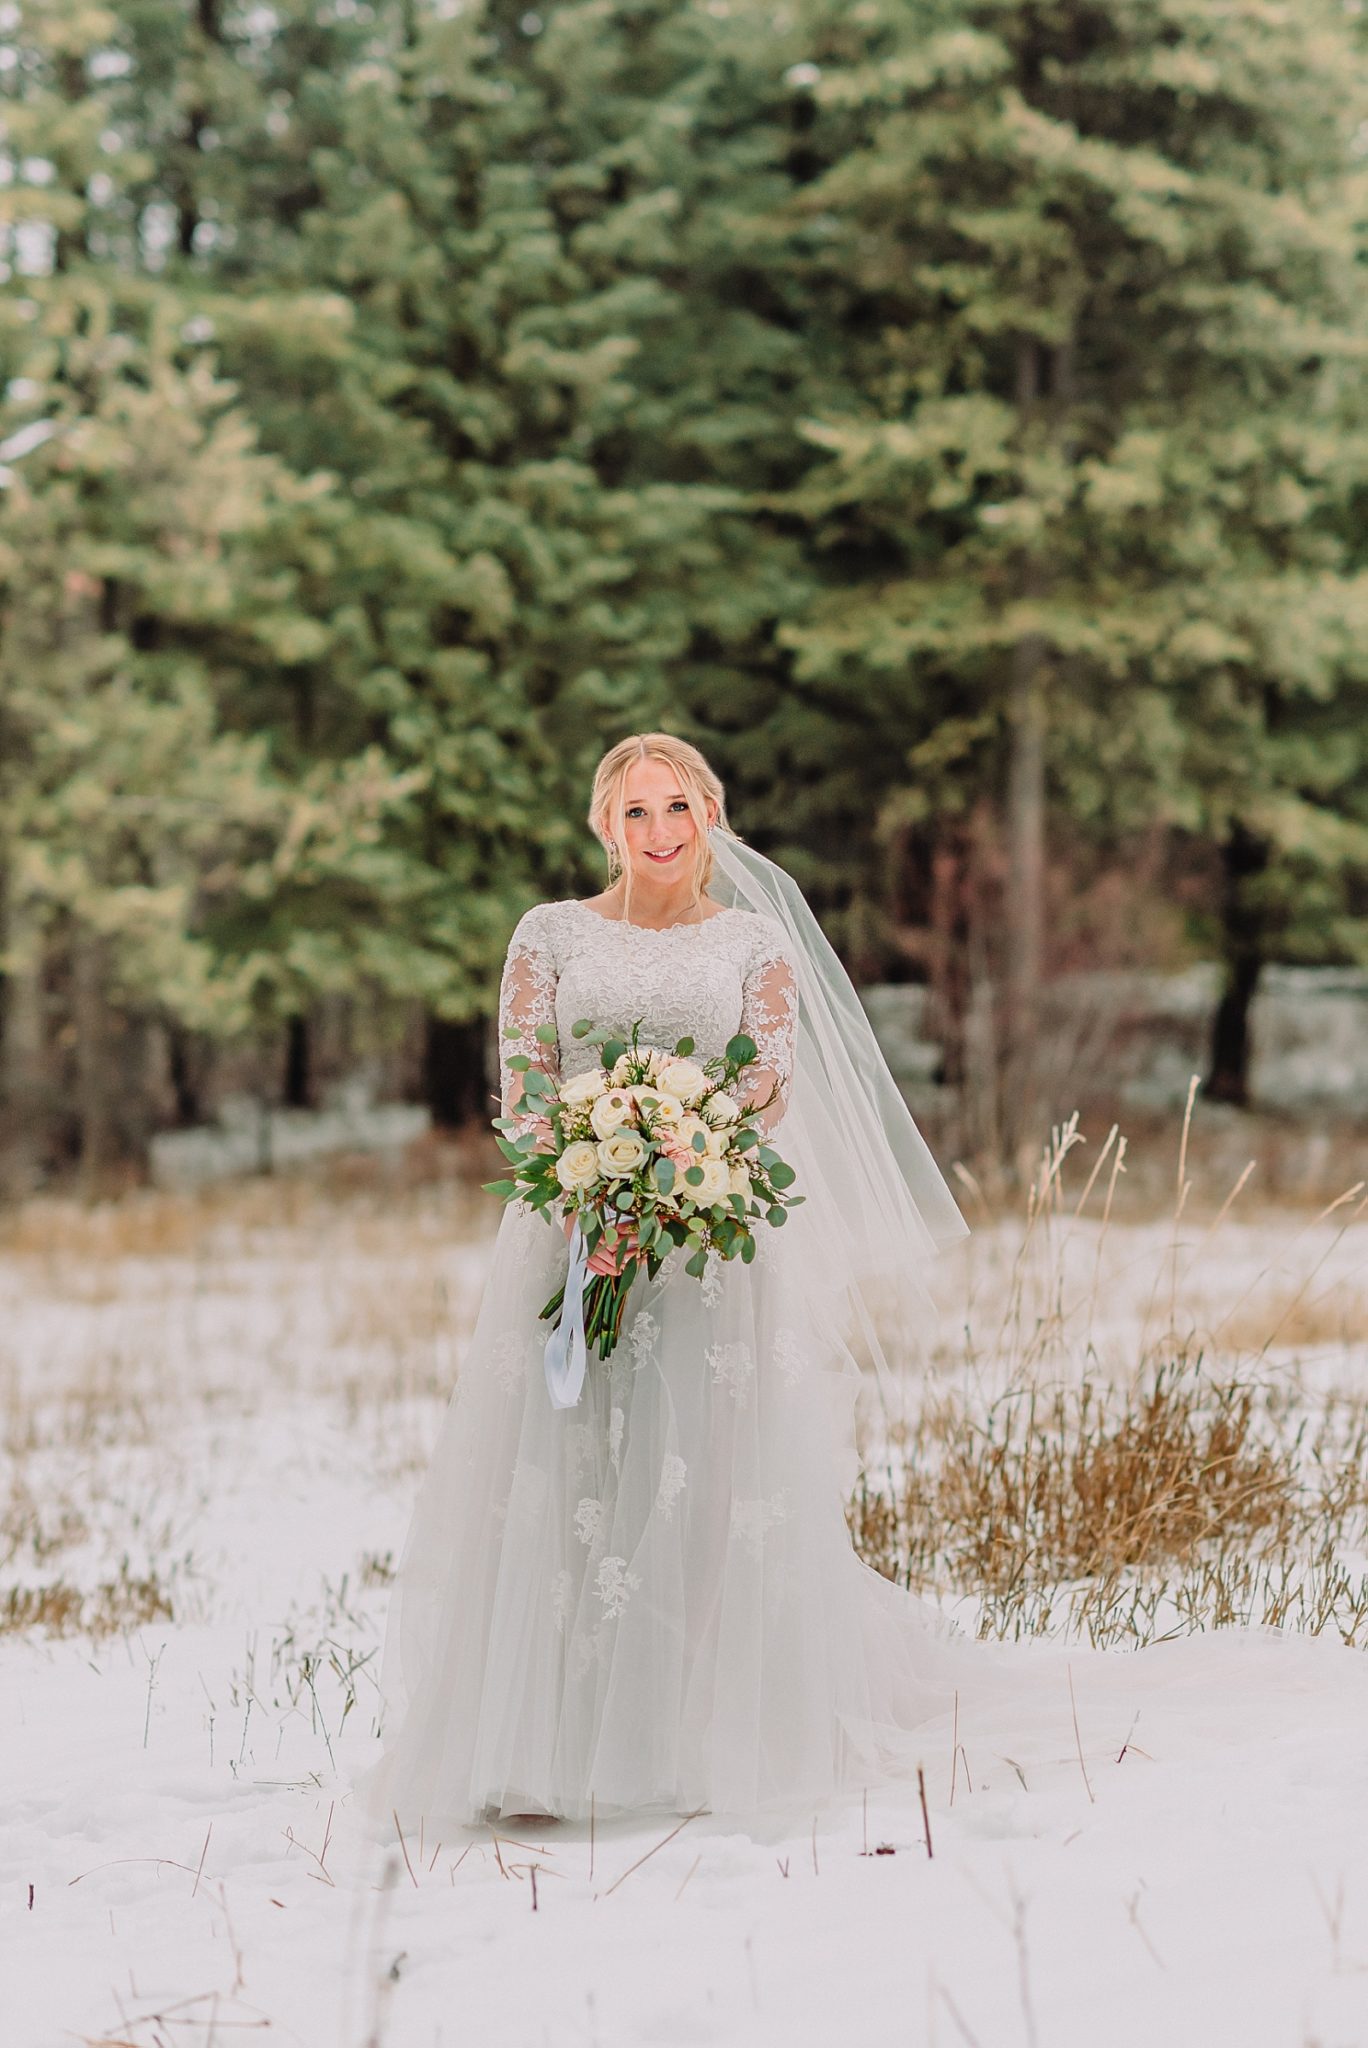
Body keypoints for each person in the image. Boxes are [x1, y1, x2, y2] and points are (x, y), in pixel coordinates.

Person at [350, 733, 975, 1834]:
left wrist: (682, 1165)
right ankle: (545, 1737)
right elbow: (525, 1079)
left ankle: (683, 1727)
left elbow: (770, 1081)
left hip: (710, 1240)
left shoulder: (753, 942)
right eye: (635, 811)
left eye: (677, 807)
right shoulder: (549, 934)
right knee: (566, 1463)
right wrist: (588, 1184)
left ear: (710, 814)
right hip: (569, 1229)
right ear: (605, 823)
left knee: (701, 1472)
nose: (659, 831)